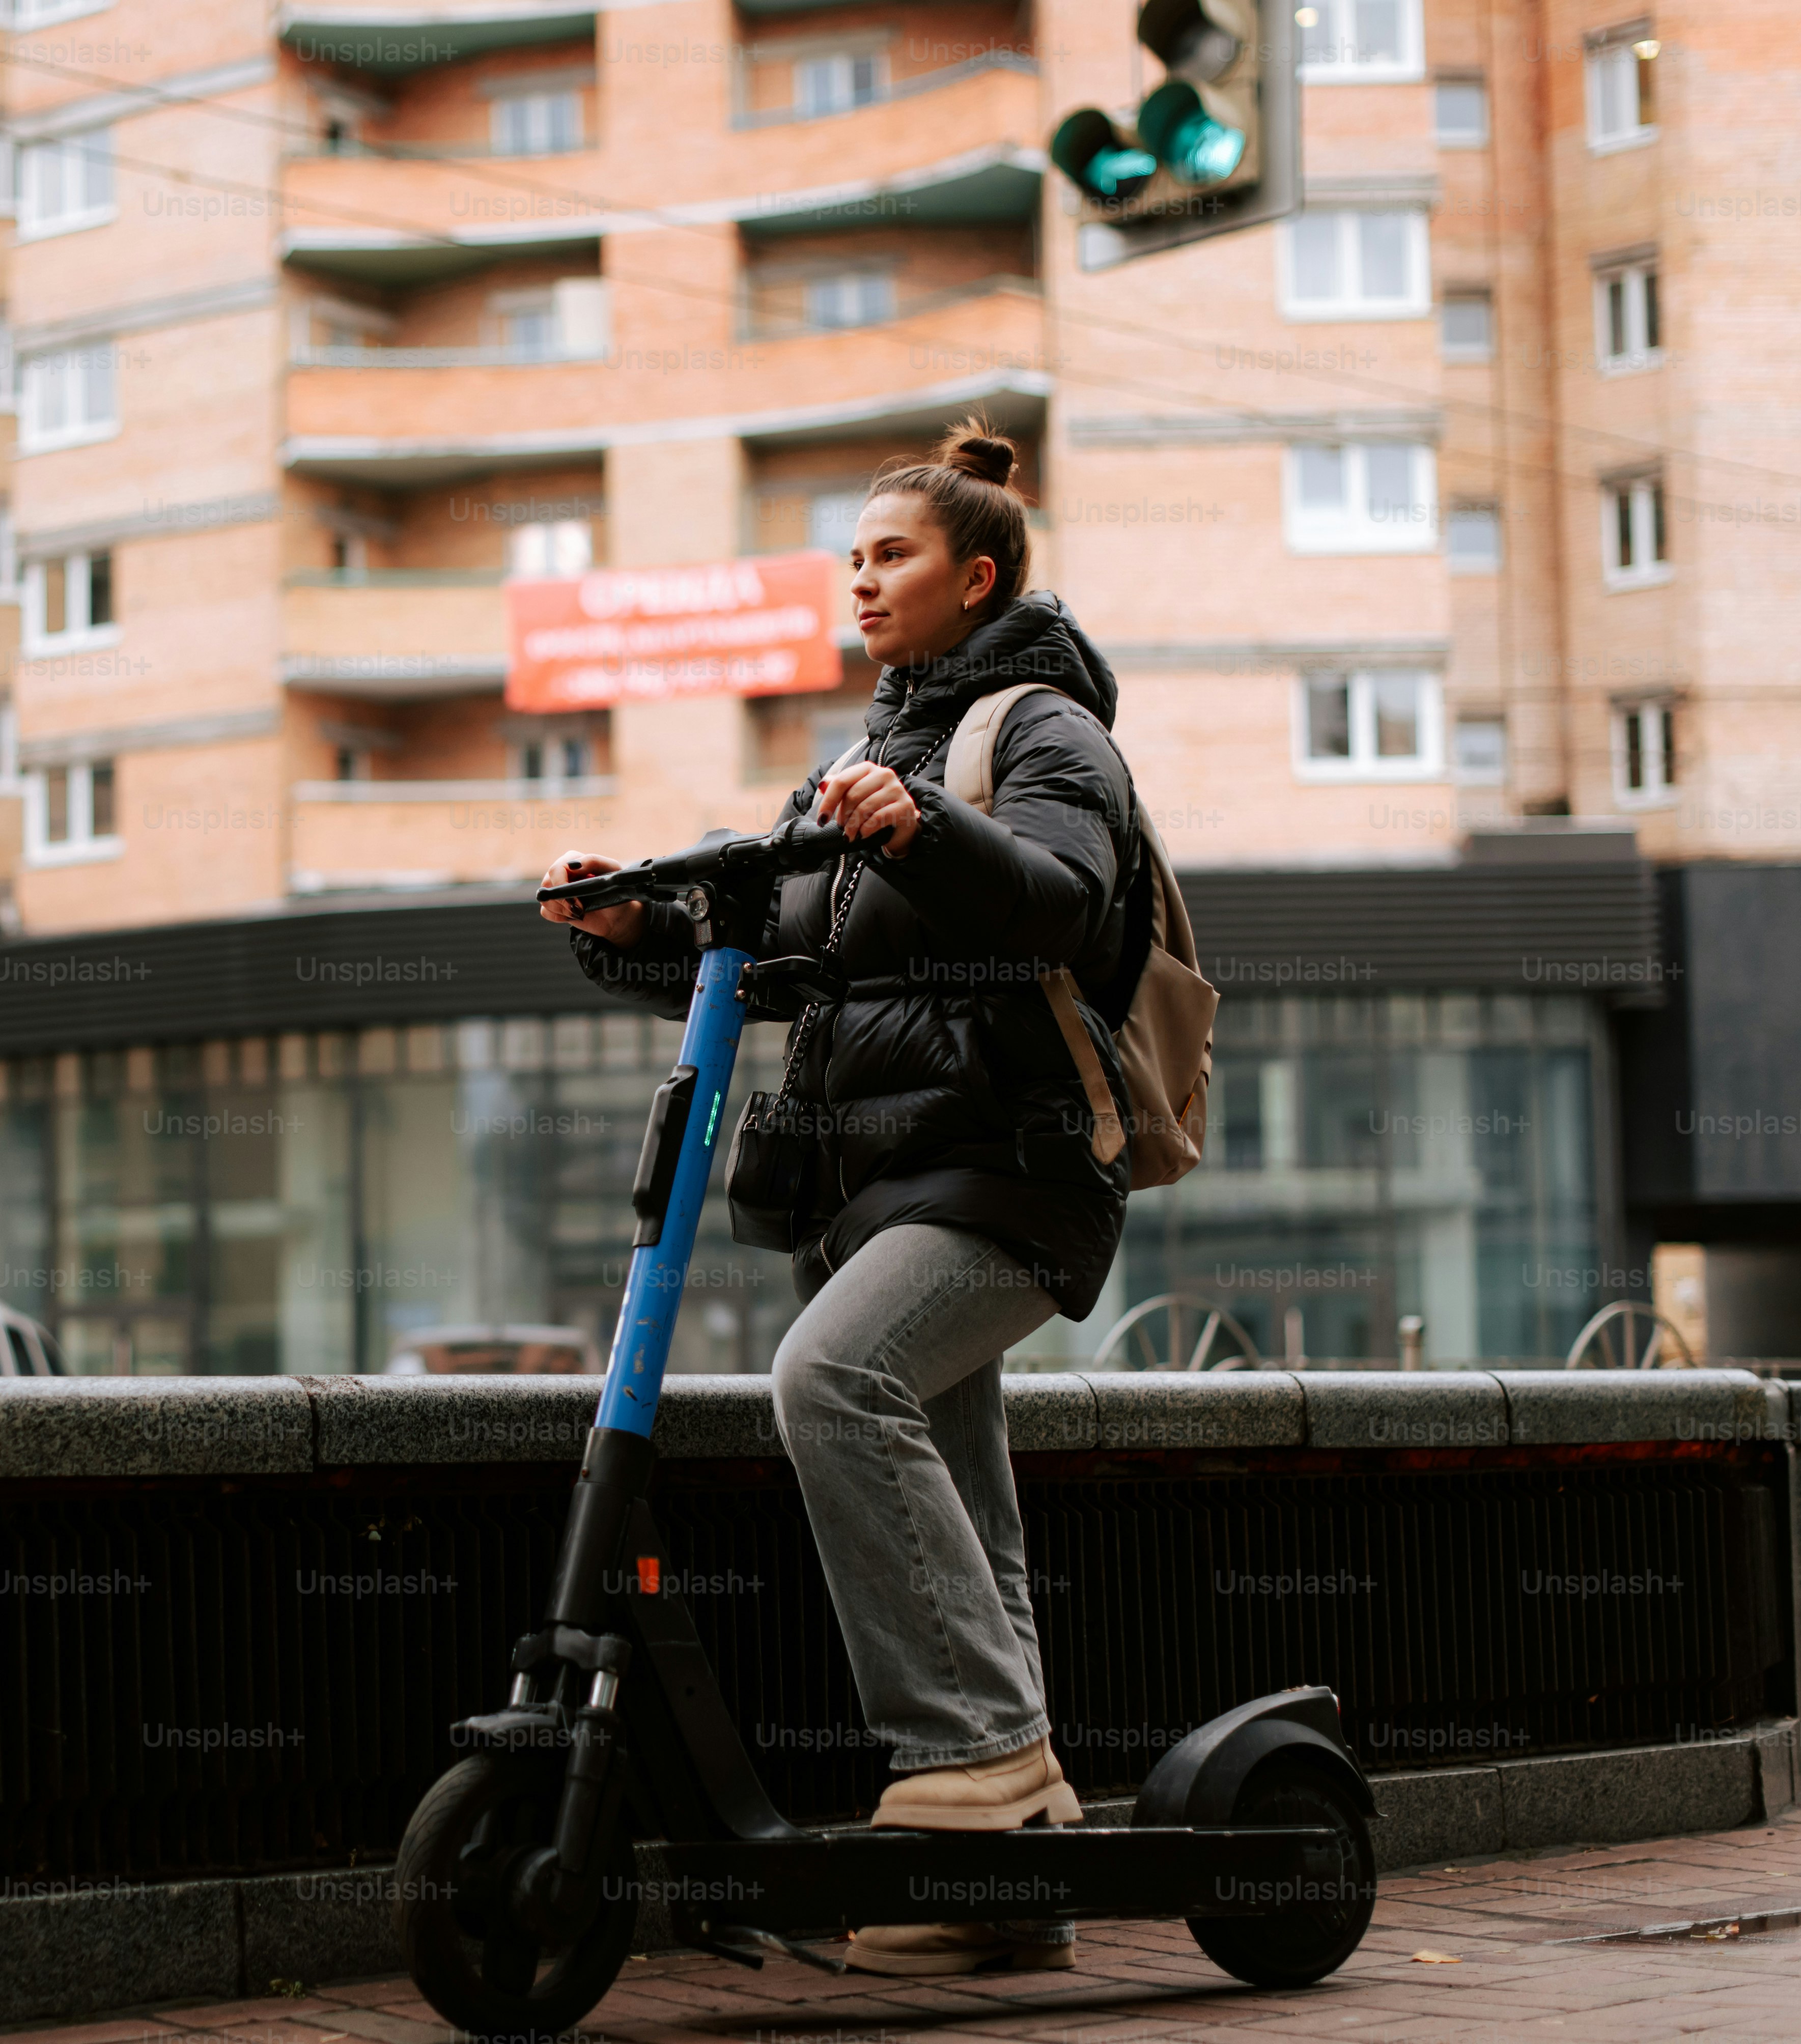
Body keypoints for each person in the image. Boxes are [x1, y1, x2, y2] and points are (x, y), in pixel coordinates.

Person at [536, 417, 1141, 1978]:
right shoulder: (876, 759)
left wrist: (927, 822)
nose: (860, 582)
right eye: (852, 558)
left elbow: (1068, 906)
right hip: (886, 1188)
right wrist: (630, 923)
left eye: (893, 556)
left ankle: (974, 1756)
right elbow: (776, 941)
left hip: (1014, 1170)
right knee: (970, 1507)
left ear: (979, 576)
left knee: (835, 1377)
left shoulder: (1046, 735)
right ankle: (1020, 1882)